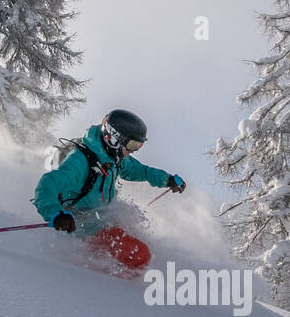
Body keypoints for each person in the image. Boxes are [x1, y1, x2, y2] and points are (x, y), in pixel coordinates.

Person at [33, 109, 185, 272]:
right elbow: (47, 184)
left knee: (138, 239)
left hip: (103, 216)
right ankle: (103, 285)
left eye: (139, 145)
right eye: (133, 144)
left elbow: (141, 171)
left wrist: (166, 180)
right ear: (113, 138)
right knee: (140, 256)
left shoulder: (115, 158)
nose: (134, 150)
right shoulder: (80, 161)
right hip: (81, 225)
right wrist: (56, 214)